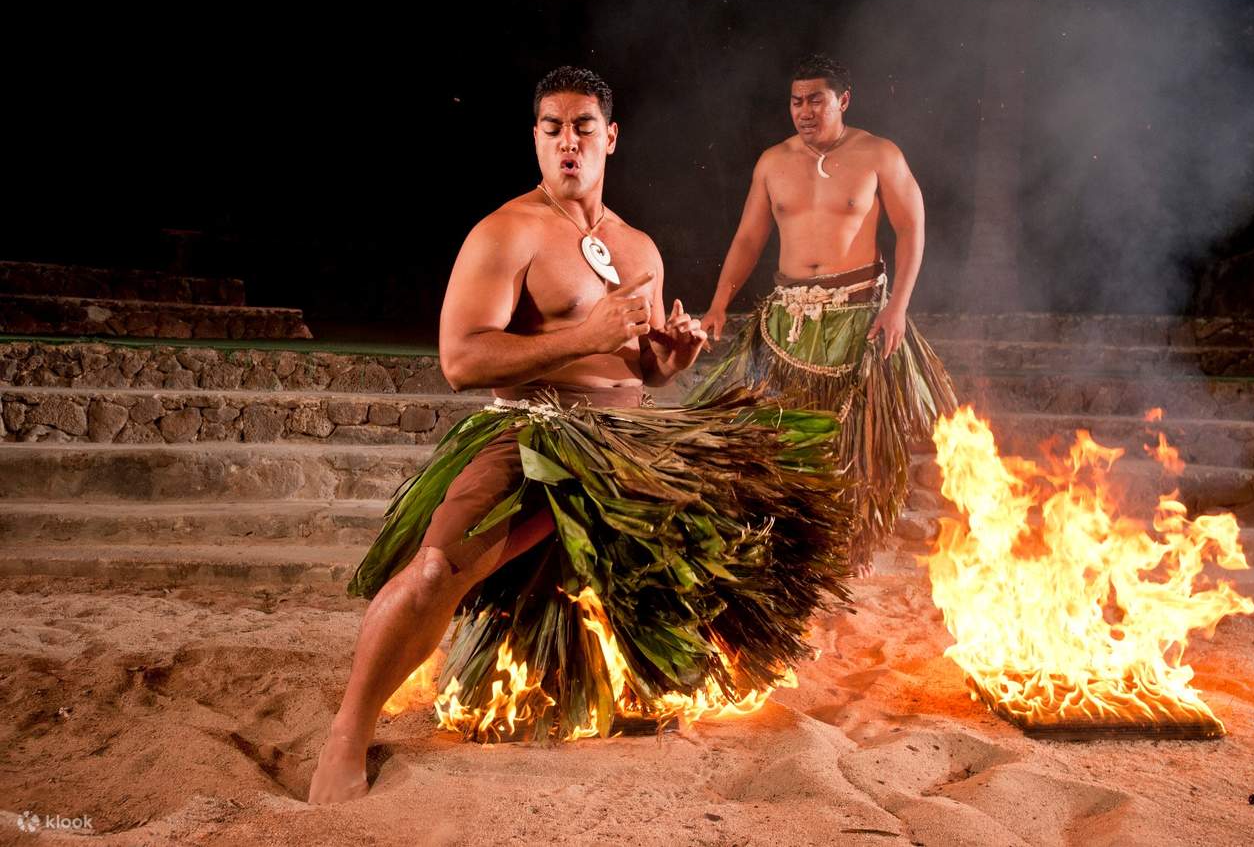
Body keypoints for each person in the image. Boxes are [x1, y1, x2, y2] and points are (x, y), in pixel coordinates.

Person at [308, 66, 853, 804]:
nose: (568, 143)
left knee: (754, 519)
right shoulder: (506, 232)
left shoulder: (639, 248)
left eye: (582, 128)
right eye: (552, 129)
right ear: (535, 139)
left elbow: (640, 366)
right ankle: (347, 731)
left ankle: (648, 677)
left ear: (610, 137)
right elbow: (461, 359)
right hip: (536, 435)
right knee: (438, 569)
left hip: (627, 443)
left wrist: (673, 355)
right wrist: (581, 335)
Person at [692, 53, 957, 574]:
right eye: (796, 101)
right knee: (771, 437)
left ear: (844, 100)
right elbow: (749, 237)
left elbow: (912, 228)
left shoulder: (879, 155)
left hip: (857, 318)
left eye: (816, 99)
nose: (805, 111)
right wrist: (719, 302)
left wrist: (898, 308)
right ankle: (786, 551)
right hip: (786, 323)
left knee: (848, 446)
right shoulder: (772, 162)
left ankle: (842, 557)